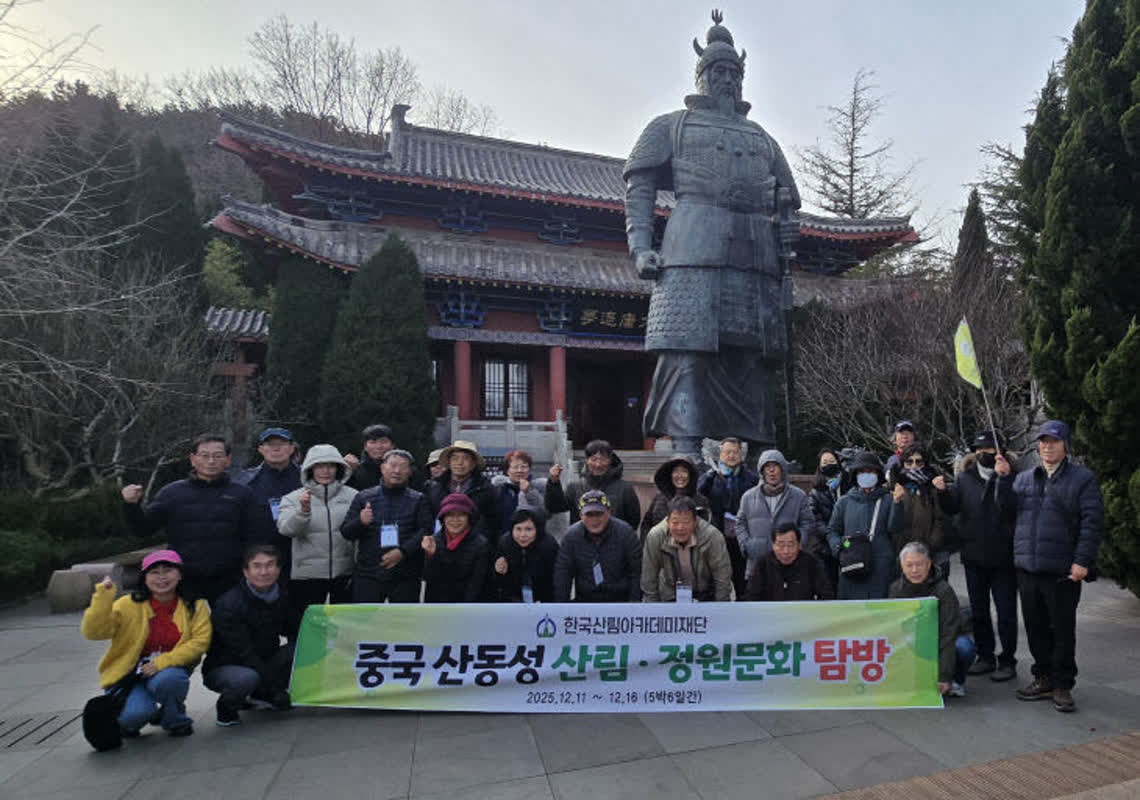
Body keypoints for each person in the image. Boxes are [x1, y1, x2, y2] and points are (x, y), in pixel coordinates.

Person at [623, 11, 801, 456]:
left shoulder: (762, 137)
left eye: (733, 72)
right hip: (691, 250)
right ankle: (684, 452)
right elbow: (639, 186)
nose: (727, 79)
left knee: (751, 362)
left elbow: (788, 197)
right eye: (717, 70)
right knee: (686, 353)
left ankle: (761, 455)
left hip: (755, 256)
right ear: (700, 76)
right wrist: (641, 247)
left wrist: (786, 241)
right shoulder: (670, 126)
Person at [998, 420, 1103, 713]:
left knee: (1062, 630)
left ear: (1065, 445)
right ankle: (1043, 677)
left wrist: (1082, 560)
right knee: (1035, 628)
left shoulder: (1082, 479)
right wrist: (1004, 479)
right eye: (1043, 441)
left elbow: (1092, 523)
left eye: (1053, 441)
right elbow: (1005, 511)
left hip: (1062, 571)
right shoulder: (1024, 479)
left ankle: (1062, 684)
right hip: (1028, 568)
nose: (1047, 446)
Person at [81, 550, 211, 739]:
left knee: (171, 680)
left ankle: (175, 719)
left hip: (166, 669)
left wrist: (160, 663)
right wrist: (103, 598)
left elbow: (200, 643)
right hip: (129, 675)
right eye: (154, 572)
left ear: (180, 574)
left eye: (167, 570)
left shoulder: (194, 605)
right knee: (134, 716)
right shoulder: (127, 605)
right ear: (144, 578)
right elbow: (94, 632)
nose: (161, 577)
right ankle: (140, 713)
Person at [122, 434, 256, 604]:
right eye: (204, 455)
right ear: (192, 459)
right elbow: (142, 529)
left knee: (226, 627)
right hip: (185, 579)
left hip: (230, 579)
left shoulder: (242, 494)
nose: (211, 461)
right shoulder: (172, 493)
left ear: (228, 459)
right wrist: (131, 505)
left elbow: (254, 536)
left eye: (217, 456)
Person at [935, 431, 1019, 682]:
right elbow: (953, 508)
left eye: (990, 449)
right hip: (974, 556)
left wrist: (1004, 479)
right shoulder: (965, 478)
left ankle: (1008, 660)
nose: (985, 453)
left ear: (1000, 451)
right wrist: (942, 493)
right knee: (979, 611)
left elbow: (1013, 508)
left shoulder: (1013, 477)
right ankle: (985, 655)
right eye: (980, 448)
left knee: (1006, 613)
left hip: (1004, 557)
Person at [204, 545, 299, 727]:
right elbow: (243, 652)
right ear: (246, 572)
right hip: (227, 665)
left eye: (270, 565)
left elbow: (293, 628)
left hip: (264, 658)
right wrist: (273, 689)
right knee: (246, 678)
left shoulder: (282, 595)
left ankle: (260, 694)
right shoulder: (229, 604)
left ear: (278, 569)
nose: (264, 572)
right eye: (257, 566)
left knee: (302, 648)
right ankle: (226, 708)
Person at [341, 449, 433, 603]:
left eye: (403, 466)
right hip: (369, 573)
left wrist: (402, 552)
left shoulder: (418, 499)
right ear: (382, 468)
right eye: (392, 465)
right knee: (366, 622)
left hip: (406, 573)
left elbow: (425, 530)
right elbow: (346, 532)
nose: (397, 471)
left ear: (410, 471)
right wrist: (361, 522)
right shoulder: (364, 496)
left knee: (403, 623)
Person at [889, 542, 976, 698]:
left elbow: (948, 634)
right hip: (913, 640)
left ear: (929, 564)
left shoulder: (944, 590)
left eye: (919, 564)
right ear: (902, 566)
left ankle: (956, 680)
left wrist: (944, 676)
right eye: (909, 565)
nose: (915, 570)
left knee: (964, 647)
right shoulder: (895, 589)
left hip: (941, 639)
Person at [277, 444, 357, 611]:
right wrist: (303, 511)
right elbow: (286, 529)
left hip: (345, 573)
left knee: (343, 627)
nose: (325, 471)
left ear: (338, 468)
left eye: (331, 465)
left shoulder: (354, 496)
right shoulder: (293, 498)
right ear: (310, 469)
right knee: (307, 626)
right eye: (319, 466)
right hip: (307, 576)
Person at [827, 451, 902, 599]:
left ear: (878, 474)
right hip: (852, 567)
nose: (865, 474)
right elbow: (832, 531)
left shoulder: (887, 499)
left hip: (881, 568)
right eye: (861, 471)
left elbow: (895, 528)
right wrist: (843, 547)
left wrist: (897, 503)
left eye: (870, 471)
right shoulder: (844, 502)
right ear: (855, 474)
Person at [234, 427, 302, 581]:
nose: (276, 448)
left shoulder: (307, 479)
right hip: (261, 561)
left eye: (282, 443)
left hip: (300, 557)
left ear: (292, 448)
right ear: (261, 449)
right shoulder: (246, 481)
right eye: (270, 444)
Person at [737, 450, 815, 580]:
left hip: (790, 564)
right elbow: (740, 523)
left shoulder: (798, 496)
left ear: (783, 469)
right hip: (757, 564)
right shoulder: (748, 497)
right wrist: (746, 545)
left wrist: (796, 545)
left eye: (775, 465)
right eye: (767, 466)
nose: (771, 470)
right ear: (762, 470)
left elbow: (808, 523)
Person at [553, 490, 642, 602]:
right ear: (580, 515)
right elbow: (563, 575)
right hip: (585, 601)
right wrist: (561, 609)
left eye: (599, 514)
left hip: (620, 601)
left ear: (609, 512)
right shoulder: (571, 537)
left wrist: (633, 607)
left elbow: (636, 573)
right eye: (589, 514)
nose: (594, 520)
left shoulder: (626, 534)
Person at [698, 437, 758, 600]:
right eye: (727, 452)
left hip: (742, 536)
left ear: (741, 454)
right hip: (717, 535)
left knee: (742, 581)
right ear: (720, 454)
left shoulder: (752, 479)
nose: (731, 456)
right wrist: (710, 478)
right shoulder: (711, 476)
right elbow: (698, 496)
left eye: (735, 452)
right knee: (715, 579)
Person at [641, 496, 731, 602]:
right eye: (675, 522)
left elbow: (722, 578)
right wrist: (654, 610)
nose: (680, 528)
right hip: (670, 593)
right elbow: (649, 578)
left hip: (705, 593)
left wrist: (720, 609)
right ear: (667, 522)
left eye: (686, 522)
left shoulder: (712, 537)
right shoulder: (655, 536)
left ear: (695, 522)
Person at [545, 439, 641, 528]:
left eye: (603, 459)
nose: (598, 464)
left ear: (610, 460)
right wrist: (553, 482)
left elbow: (633, 521)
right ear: (587, 460)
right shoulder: (575, 487)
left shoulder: (625, 489)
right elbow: (555, 507)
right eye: (594, 459)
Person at [888, 442, 949, 577]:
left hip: (929, 550)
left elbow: (940, 517)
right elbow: (891, 523)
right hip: (903, 551)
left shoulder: (933, 486)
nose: (914, 466)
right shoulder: (895, 487)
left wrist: (933, 543)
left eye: (919, 462)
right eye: (909, 462)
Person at [425, 440, 502, 539]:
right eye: (455, 458)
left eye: (465, 458)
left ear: (473, 464)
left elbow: (494, 524)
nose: (459, 463)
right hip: (441, 545)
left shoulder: (487, 489)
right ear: (449, 462)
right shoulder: (435, 488)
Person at [421, 493, 490, 603]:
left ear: (469, 518)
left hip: (466, 607)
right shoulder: (434, 540)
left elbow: (476, 585)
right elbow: (428, 577)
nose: (455, 520)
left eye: (461, 515)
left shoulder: (481, 544)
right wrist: (431, 555)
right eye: (450, 515)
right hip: (437, 606)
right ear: (443, 518)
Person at [747, 523, 835, 601]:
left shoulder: (812, 564)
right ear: (773, 545)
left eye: (790, 545)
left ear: (799, 545)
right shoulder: (762, 565)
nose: (786, 551)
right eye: (781, 545)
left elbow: (826, 596)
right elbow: (751, 598)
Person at [492, 508, 559, 603]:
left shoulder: (549, 546)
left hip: (543, 600)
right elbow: (498, 584)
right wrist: (498, 571)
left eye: (528, 529)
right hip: (513, 600)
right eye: (518, 529)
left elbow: (556, 580)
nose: (523, 535)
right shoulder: (505, 543)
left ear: (538, 529)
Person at [639, 455, 709, 541]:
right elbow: (646, 525)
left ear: (691, 475)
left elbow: (707, 531)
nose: (680, 476)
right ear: (670, 475)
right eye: (676, 471)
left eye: (684, 471)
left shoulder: (701, 500)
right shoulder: (659, 498)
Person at [807, 448, 844, 580]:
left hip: (846, 542)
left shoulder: (847, 485)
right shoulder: (815, 492)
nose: (828, 464)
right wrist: (830, 535)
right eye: (825, 462)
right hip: (825, 545)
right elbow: (814, 519)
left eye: (831, 461)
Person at [492, 449, 546, 538]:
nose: (519, 470)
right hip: (503, 540)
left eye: (524, 467)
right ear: (507, 470)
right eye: (515, 467)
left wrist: (529, 492)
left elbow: (544, 513)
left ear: (529, 469)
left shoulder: (540, 486)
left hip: (532, 538)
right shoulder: (498, 488)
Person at [344, 423, 395, 490]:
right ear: (365, 446)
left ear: (392, 445)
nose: (378, 446)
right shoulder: (355, 471)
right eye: (373, 442)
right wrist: (344, 469)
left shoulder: (404, 470)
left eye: (383, 442)